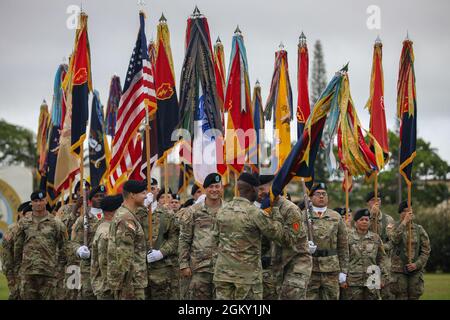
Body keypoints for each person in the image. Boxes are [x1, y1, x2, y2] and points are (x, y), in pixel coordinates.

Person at [212, 173, 289, 300]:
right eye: (258, 190)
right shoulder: (255, 213)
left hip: (223, 274)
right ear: (253, 189)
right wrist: (275, 210)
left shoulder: (222, 210)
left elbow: (214, 239)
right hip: (247, 277)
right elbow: (277, 234)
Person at [14, 191, 67, 300]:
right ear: (32, 203)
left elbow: (64, 247)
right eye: (36, 201)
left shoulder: (56, 223)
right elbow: (18, 247)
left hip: (49, 274)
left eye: (41, 201)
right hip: (28, 273)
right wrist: (19, 269)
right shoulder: (23, 223)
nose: (39, 204)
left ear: (46, 202)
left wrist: (59, 269)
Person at [179, 173, 224, 300]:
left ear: (221, 188)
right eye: (211, 187)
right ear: (205, 189)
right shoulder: (193, 211)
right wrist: (184, 264)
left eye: (217, 186)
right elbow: (184, 238)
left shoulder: (228, 210)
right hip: (200, 268)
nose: (214, 190)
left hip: (224, 269)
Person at [305, 183, 349, 300]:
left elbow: (343, 245)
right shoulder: (304, 216)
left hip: (331, 268)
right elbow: (295, 240)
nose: (321, 197)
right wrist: (305, 246)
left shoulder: (336, 217)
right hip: (310, 268)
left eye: (324, 194)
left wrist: (343, 271)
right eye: (318, 194)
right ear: (311, 197)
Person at [107, 180, 148, 300]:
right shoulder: (126, 218)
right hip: (131, 283)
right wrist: (127, 286)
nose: (145, 196)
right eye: (143, 193)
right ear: (132, 195)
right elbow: (125, 256)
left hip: (132, 281)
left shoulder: (127, 214)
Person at [69, 184, 106, 299]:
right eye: (96, 196)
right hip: (88, 267)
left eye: (102, 196)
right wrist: (79, 250)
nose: (100, 198)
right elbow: (74, 243)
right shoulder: (83, 219)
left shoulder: (111, 216)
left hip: (106, 267)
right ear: (90, 200)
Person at [341, 209, 387, 300]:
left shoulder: (375, 238)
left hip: (372, 279)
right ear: (356, 222)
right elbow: (343, 258)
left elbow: (381, 258)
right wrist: (342, 278)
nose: (364, 222)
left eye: (367, 220)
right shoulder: (348, 238)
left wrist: (383, 277)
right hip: (353, 280)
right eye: (361, 220)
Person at [390, 201, 430, 300]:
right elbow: (394, 239)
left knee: (414, 297)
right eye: (405, 211)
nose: (408, 213)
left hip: (415, 271)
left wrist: (417, 264)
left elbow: (426, 250)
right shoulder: (392, 227)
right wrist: (404, 223)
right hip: (398, 272)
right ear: (400, 213)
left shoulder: (419, 229)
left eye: (410, 210)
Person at [146, 188, 180, 300]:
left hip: (161, 270)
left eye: (153, 189)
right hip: (139, 271)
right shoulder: (135, 213)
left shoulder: (168, 214)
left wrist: (161, 252)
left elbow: (175, 238)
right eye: (144, 190)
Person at [90, 194, 123, 300]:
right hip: (108, 289)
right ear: (114, 210)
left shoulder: (108, 226)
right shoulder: (106, 232)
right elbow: (105, 263)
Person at [365, 191, 396, 299]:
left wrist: (383, 247)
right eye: (373, 200)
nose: (376, 202)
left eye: (378, 199)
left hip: (384, 263)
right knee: (371, 294)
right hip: (368, 261)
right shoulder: (363, 218)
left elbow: (393, 241)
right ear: (368, 203)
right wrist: (371, 216)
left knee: (387, 293)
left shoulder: (388, 219)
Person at [1, 201, 32, 300]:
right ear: (21, 214)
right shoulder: (12, 230)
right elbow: (7, 257)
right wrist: (11, 280)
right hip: (17, 273)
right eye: (28, 212)